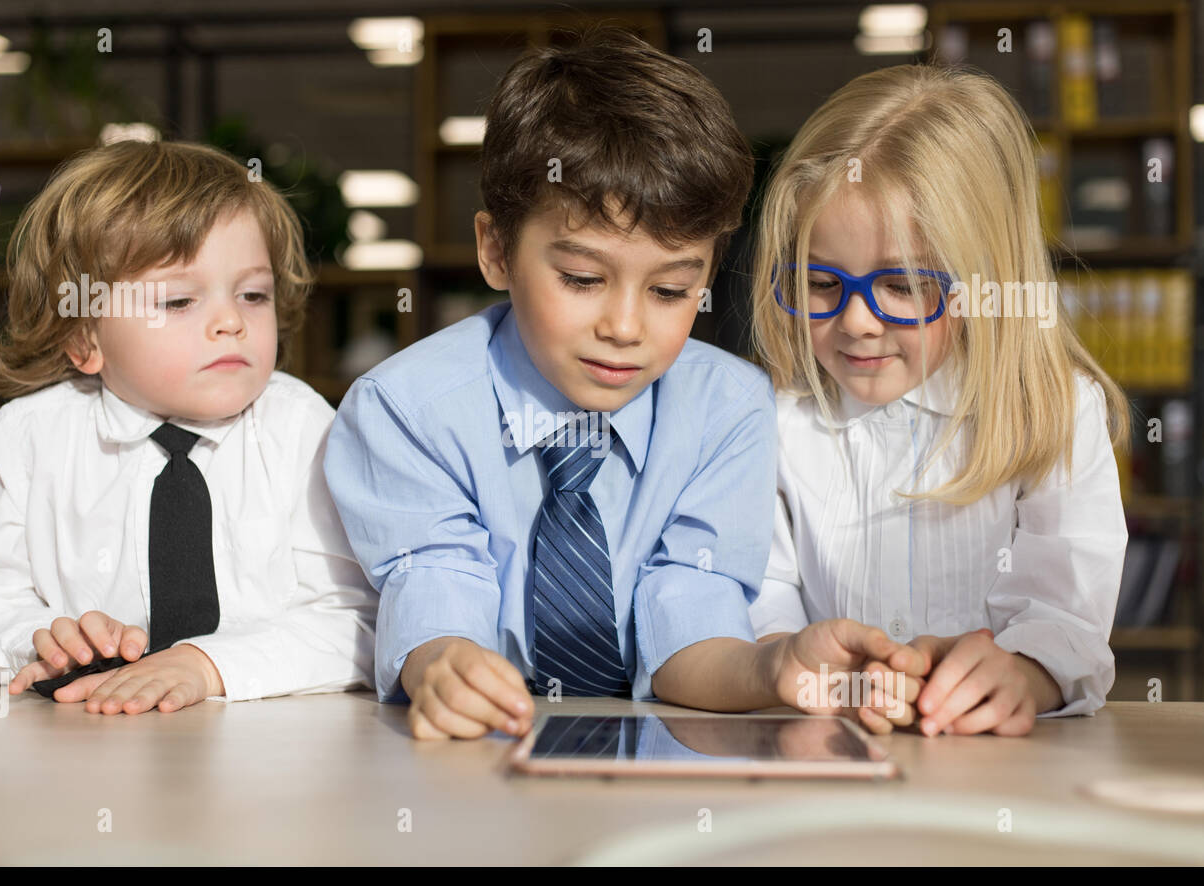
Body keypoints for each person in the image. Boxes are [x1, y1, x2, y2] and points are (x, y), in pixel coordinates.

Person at [326, 29, 925, 741]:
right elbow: (434, 579)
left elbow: (688, 616)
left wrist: (770, 669)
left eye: (672, 288)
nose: (625, 326)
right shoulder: (405, 408)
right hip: (472, 762)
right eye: (581, 279)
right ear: (495, 250)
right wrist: (441, 661)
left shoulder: (728, 409)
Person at [748, 64, 1130, 736]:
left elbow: (1067, 613)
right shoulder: (772, 422)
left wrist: (1026, 673)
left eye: (902, 285)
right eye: (818, 281)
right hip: (827, 769)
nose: (859, 321)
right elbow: (763, 595)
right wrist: (794, 665)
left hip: (1001, 779)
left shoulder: (1056, 411)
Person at [0, 140, 376, 715]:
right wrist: (40, 641)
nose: (230, 322)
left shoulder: (303, 431)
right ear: (84, 337)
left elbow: (359, 623)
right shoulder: (22, 443)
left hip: (271, 749)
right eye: (178, 301)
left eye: (253, 294)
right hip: (79, 749)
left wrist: (210, 665)